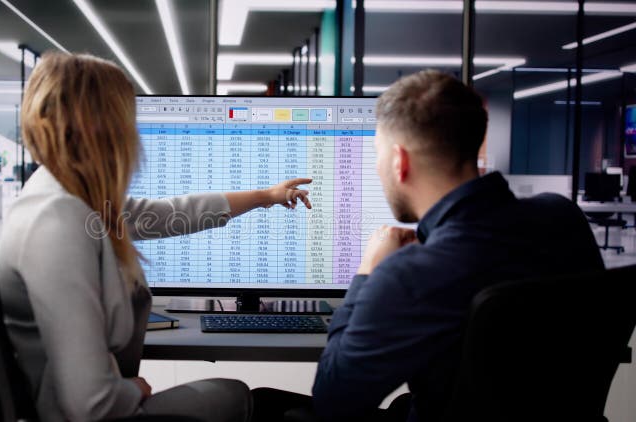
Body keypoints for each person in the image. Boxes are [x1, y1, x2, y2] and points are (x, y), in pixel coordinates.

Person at [251, 70, 604, 422]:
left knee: (261, 406)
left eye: (377, 152)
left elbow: (334, 401)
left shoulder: (411, 274)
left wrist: (368, 272)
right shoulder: (562, 217)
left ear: (398, 161)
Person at [0, 52, 313, 422]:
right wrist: (133, 389)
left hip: (74, 402)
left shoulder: (67, 197)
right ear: (101, 128)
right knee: (240, 397)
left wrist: (264, 197)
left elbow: (170, 214)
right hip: (80, 414)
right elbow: (90, 404)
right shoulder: (57, 222)